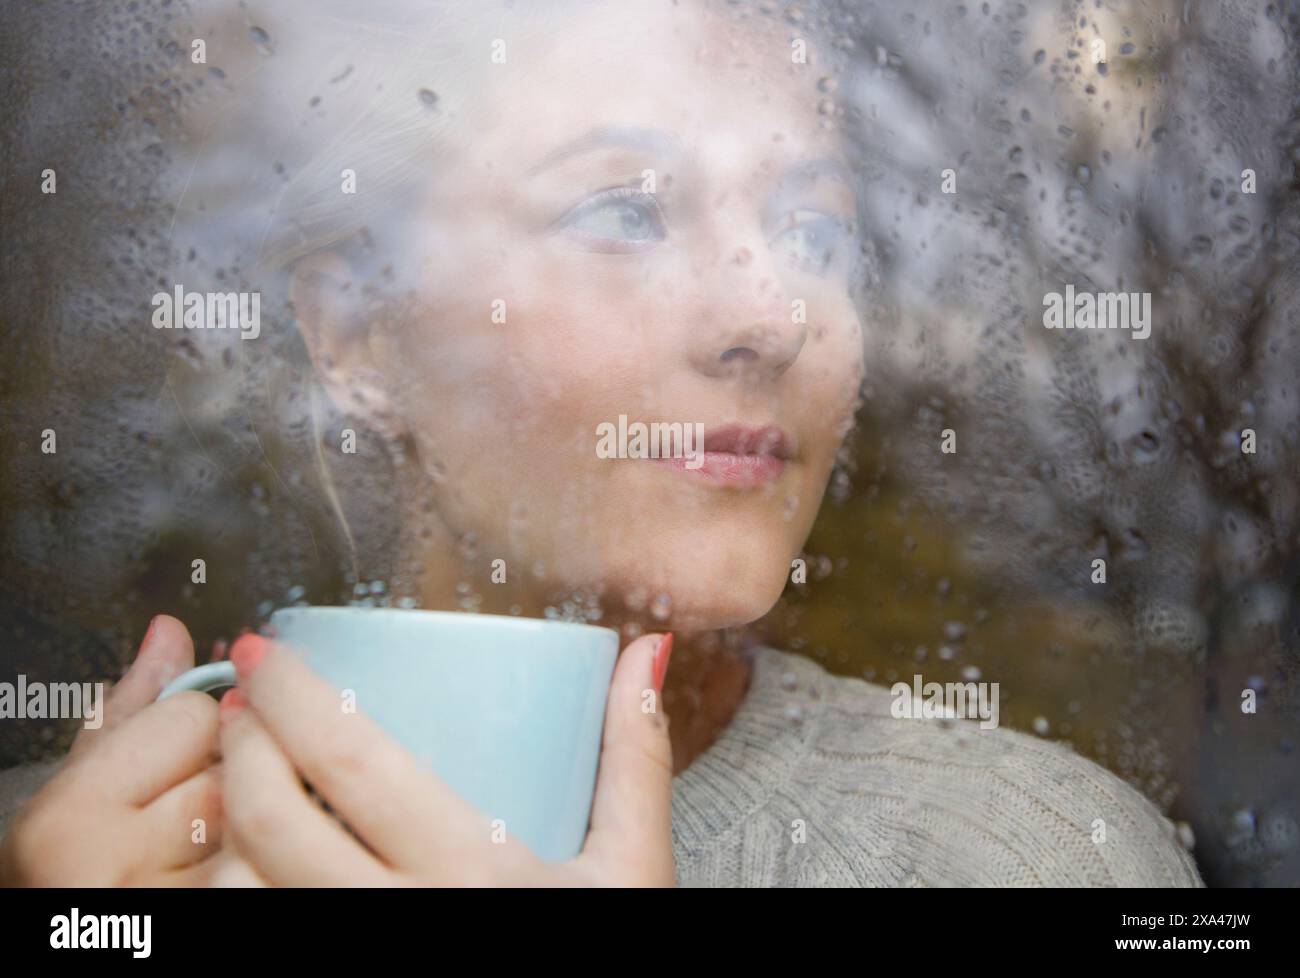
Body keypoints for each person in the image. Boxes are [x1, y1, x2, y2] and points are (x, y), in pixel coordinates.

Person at [0, 0, 1202, 886]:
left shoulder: (1033, 859)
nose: (770, 317)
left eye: (817, 235)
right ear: (356, 334)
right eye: (623, 211)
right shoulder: (87, 860)